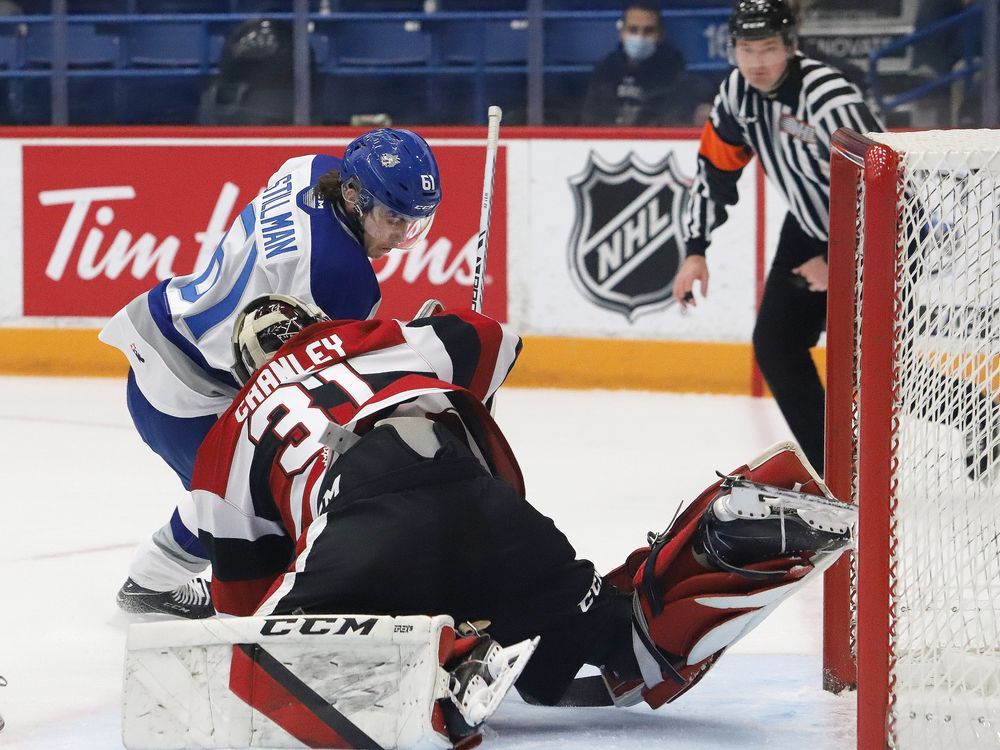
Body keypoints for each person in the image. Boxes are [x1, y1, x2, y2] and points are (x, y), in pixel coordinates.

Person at [185, 292, 855, 736]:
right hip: (489, 510)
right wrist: (435, 321)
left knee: (261, 670)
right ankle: (725, 541)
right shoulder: (377, 338)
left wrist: (282, 638)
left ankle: (447, 665)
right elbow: (495, 340)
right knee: (627, 649)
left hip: (363, 525)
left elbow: (242, 600)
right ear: (312, 327)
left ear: (245, 369)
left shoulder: (231, 433)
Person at [100, 128, 443, 618]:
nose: (398, 237)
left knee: (240, 493)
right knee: (248, 508)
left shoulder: (309, 167)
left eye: (413, 223)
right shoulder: (341, 277)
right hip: (191, 394)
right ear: (352, 194)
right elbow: (332, 382)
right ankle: (152, 585)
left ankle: (154, 581)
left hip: (168, 331)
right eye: (392, 218)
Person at [672, 0, 884, 475]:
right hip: (812, 227)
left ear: (790, 46)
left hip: (881, 232)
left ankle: (986, 417)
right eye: (745, 49)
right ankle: (838, 470)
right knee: (776, 344)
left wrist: (841, 260)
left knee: (880, 365)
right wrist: (695, 250)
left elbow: (884, 186)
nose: (756, 62)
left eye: (767, 48)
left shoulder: (828, 97)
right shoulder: (737, 95)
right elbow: (714, 173)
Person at [580, 3, 715, 127]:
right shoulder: (605, 73)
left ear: (660, 34)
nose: (640, 36)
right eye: (633, 30)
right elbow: (591, 118)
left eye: (648, 31)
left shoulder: (676, 76)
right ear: (621, 33)